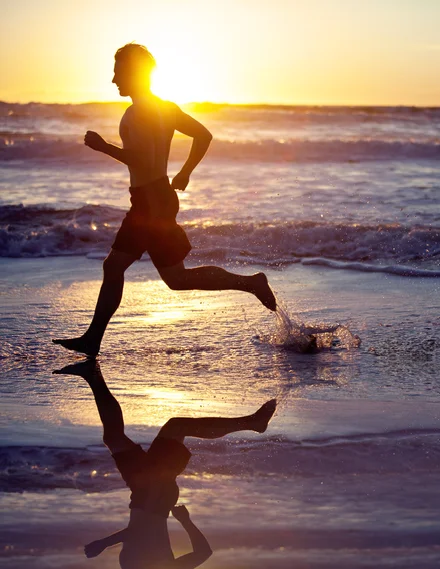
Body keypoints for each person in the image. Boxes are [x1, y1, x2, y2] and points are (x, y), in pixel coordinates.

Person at [53, 43, 277, 358]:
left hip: (150, 202)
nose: (114, 79)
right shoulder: (165, 107)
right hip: (158, 196)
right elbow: (204, 135)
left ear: (133, 73)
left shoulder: (137, 112)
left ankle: (92, 340)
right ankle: (251, 283)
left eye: (118, 72)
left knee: (115, 265)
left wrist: (104, 147)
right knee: (175, 278)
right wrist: (184, 172)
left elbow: (142, 159)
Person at [54, 360, 277, 568]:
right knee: (175, 427)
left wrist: (185, 521)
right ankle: (253, 423)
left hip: (144, 493)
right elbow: (151, 536)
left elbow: (199, 553)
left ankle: (93, 375)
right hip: (155, 493)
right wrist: (104, 543)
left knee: (113, 438)